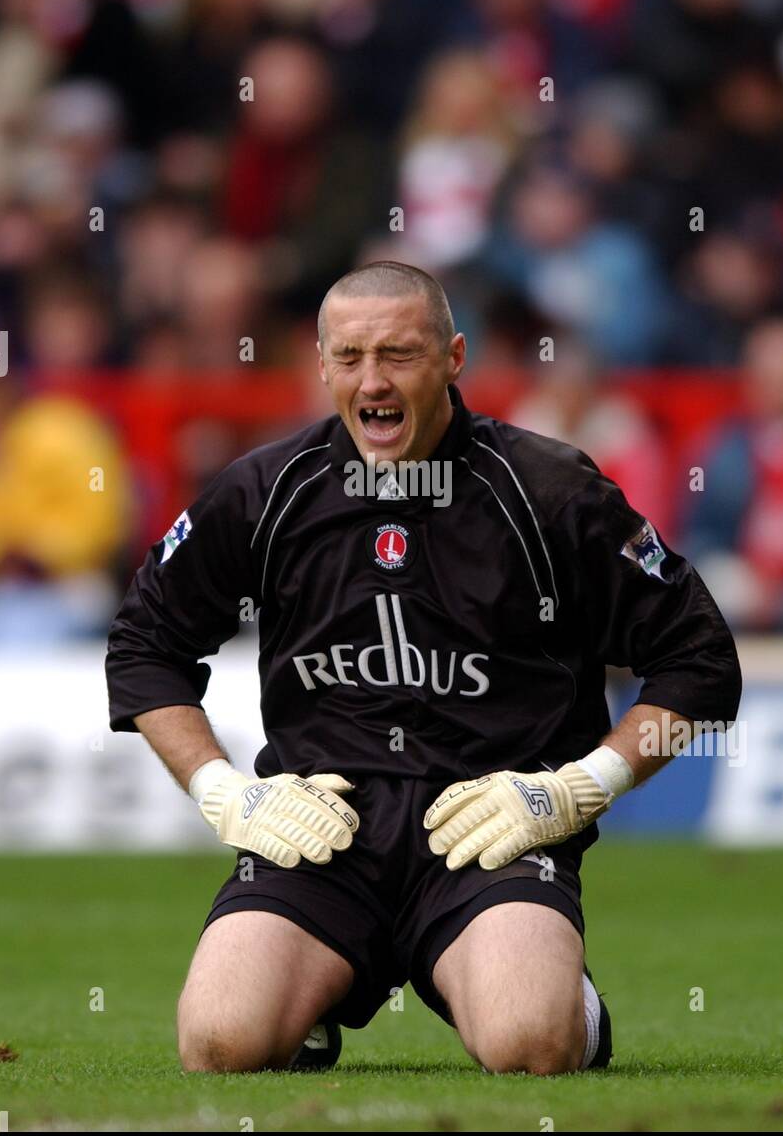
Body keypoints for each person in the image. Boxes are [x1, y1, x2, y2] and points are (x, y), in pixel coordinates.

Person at [105, 261, 741, 1075]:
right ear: (324, 365)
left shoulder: (550, 491)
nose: (374, 380)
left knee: (526, 1044)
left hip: (494, 832)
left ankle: (567, 1001)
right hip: (319, 835)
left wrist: (577, 788)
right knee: (219, 1042)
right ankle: (310, 1008)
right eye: (352, 357)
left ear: (454, 359)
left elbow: (700, 661)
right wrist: (222, 791)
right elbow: (144, 642)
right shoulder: (264, 492)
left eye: (400, 355)